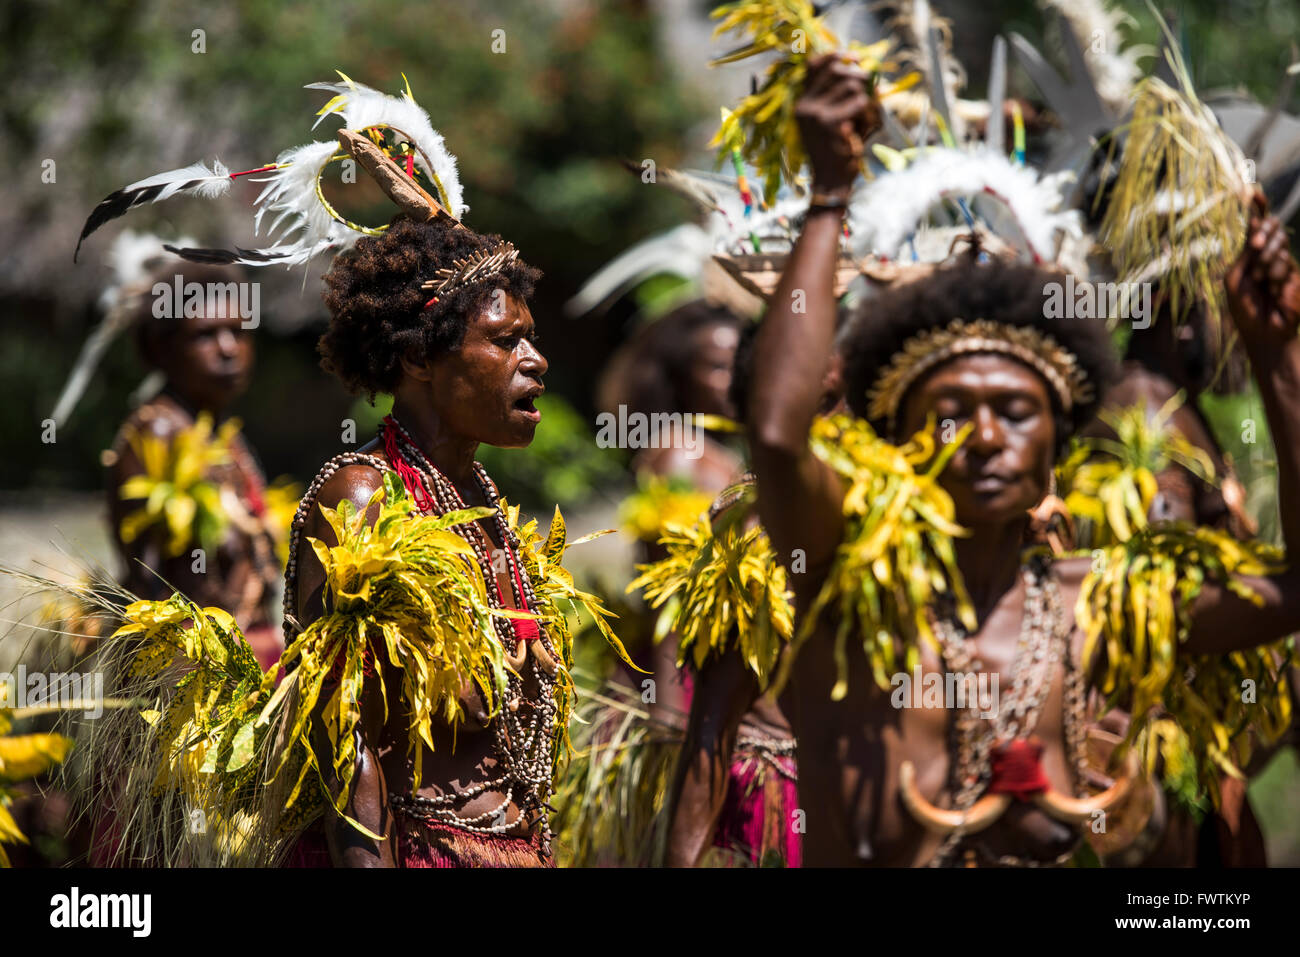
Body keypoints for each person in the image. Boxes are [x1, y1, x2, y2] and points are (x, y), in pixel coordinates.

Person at [744, 54, 1300, 866]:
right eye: (947, 414)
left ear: (1058, 440)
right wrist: (831, 194)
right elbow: (778, 436)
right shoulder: (847, 590)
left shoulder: (1107, 612)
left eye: (1013, 412)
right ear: (898, 442)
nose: (983, 437)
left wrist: (1279, 359)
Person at [102, 260, 284, 671]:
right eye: (206, 334)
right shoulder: (157, 435)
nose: (228, 349)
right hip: (188, 680)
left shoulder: (221, 434)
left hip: (246, 664)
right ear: (162, 349)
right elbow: (149, 583)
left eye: (238, 332)